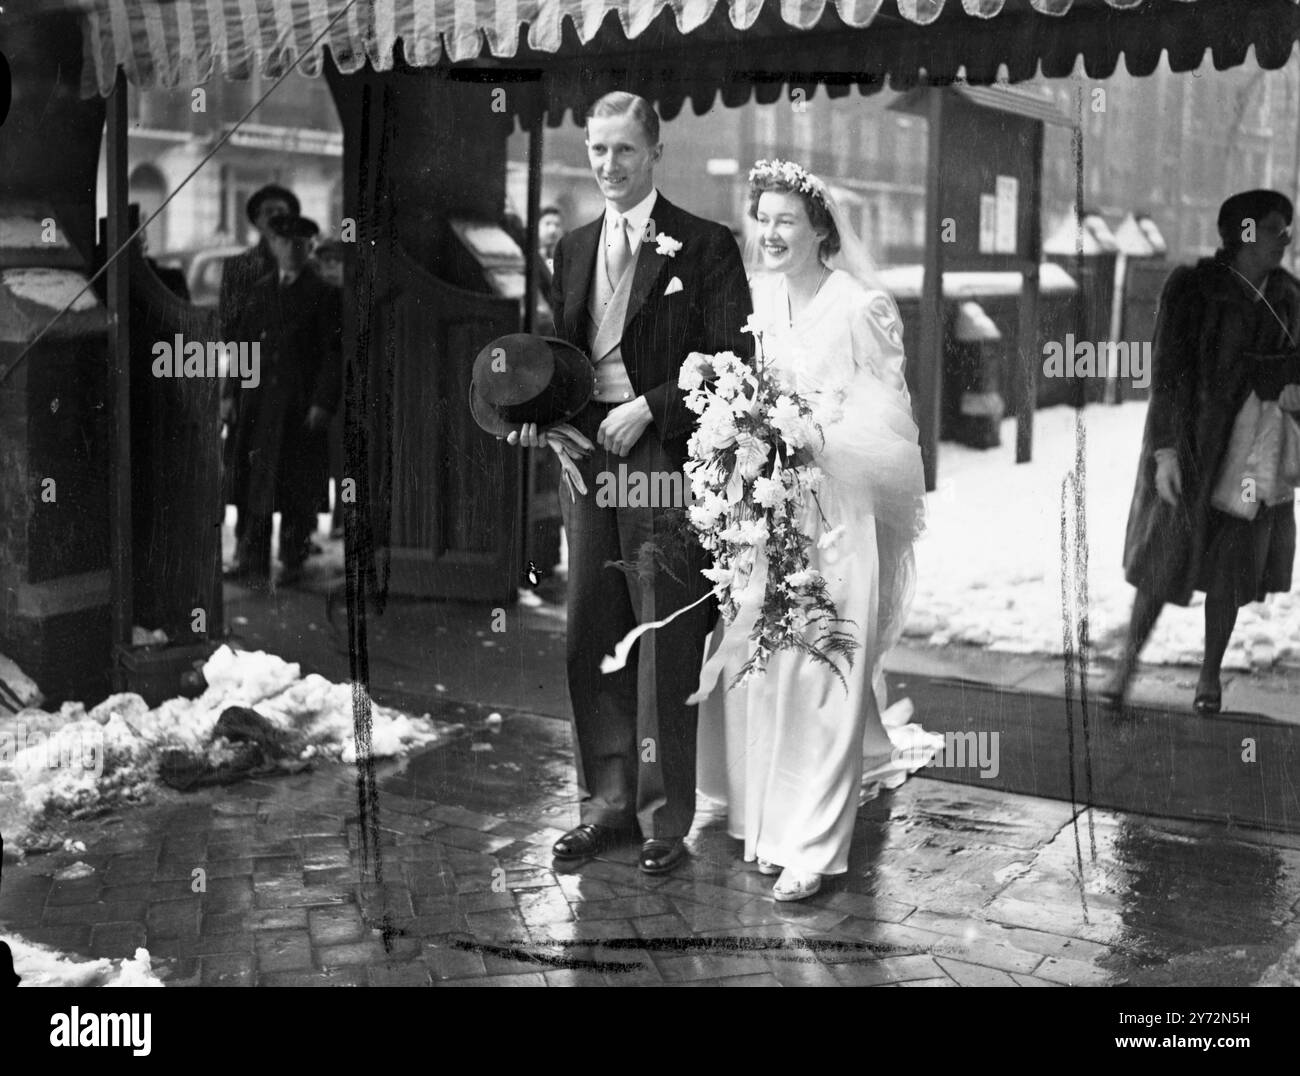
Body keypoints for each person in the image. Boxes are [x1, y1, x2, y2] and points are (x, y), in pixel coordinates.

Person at [508, 91, 752, 875]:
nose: (608, 165)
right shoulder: (574, 247)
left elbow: (730, 364)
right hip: (590, 460)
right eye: (596, 150)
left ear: (654, 154)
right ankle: (603, 807)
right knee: (592, 631)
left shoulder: (705, 245)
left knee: (663, 636)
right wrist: (545, 420)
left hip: (661, 457)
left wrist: (651, 406)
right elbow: (556, 355)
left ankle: (661, 819)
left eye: (622, 150)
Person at [695, 159, 938, 901]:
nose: (769, 233)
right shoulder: (760, 300)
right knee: (764, 663)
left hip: (838, 514)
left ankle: (813, 843)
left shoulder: (859, 305)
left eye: (785, 221)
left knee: (824, 665)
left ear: (821, 228)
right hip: (769, 511)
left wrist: (807, 437)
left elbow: (892, 424)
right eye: (761, 218)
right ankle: (764, 815)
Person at [1103, 190, 1300, 715]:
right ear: (1246, 233)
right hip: (1193, 450)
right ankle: (1124, 667)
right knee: (1161, 562)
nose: (1286, 237)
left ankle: (1209, 676)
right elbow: (1166, 373)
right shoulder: (1193, 289)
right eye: (1277, 227)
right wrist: (1164, 451)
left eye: (1288, 227)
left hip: (1254, 456)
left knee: (1232, 569)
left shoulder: (1288, 296)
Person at [224, 213, 342, 587]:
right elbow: (241, 346)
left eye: (300, 244)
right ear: (272, 245)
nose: (292, 250)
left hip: (299, 405)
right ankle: (250, 558)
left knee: (297, 483)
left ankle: (293, 557)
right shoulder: (259, 292)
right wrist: (229, 395)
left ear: (309, 248)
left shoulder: (324, 294)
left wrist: (323, 402)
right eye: (284, 242)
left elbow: (333, 354)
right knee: (254, 482)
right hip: (257, 403)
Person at [220, 184, 300, 542]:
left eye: (281, 210)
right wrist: (230, 392)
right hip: (250, 382)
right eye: (266, 211)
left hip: (292, 386)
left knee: (294, 468)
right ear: (255, 220)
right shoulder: (239, 267)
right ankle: (247, 550)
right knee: (246, 468)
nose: (274, 217)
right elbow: (231, 330)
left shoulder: (302, 267)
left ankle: (295, 545)